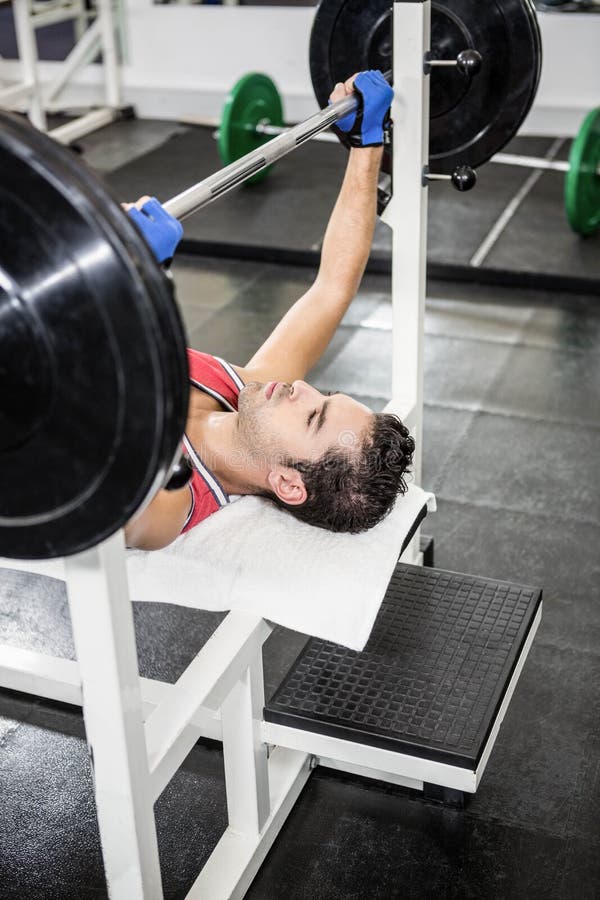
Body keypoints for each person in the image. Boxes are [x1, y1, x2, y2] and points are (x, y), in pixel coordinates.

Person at [124, 70, 415, 551]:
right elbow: (332, 288)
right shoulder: (242, 389)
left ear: (287, 484)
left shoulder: (172, 506)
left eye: (313, 418)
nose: (300, 389)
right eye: (322, 395)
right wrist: (367, 143)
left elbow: (117, 509)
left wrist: (138, 284)